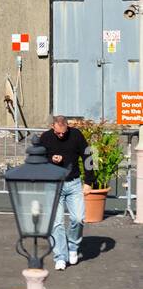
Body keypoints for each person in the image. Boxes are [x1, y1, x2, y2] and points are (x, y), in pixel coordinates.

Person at [37, 115, 90, 270]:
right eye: (58, 132)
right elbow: (38, 158)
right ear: (53, 126)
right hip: (53, 185)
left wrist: (89, 182)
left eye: (64, 132)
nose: (61, 135)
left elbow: (88, 155)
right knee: (57, 223)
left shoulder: (76, 135)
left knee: (78, 218)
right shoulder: (46, 138)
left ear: (67, 126)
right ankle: (60, 256)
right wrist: (50, 159)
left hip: (73, 183)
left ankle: (72, 247)